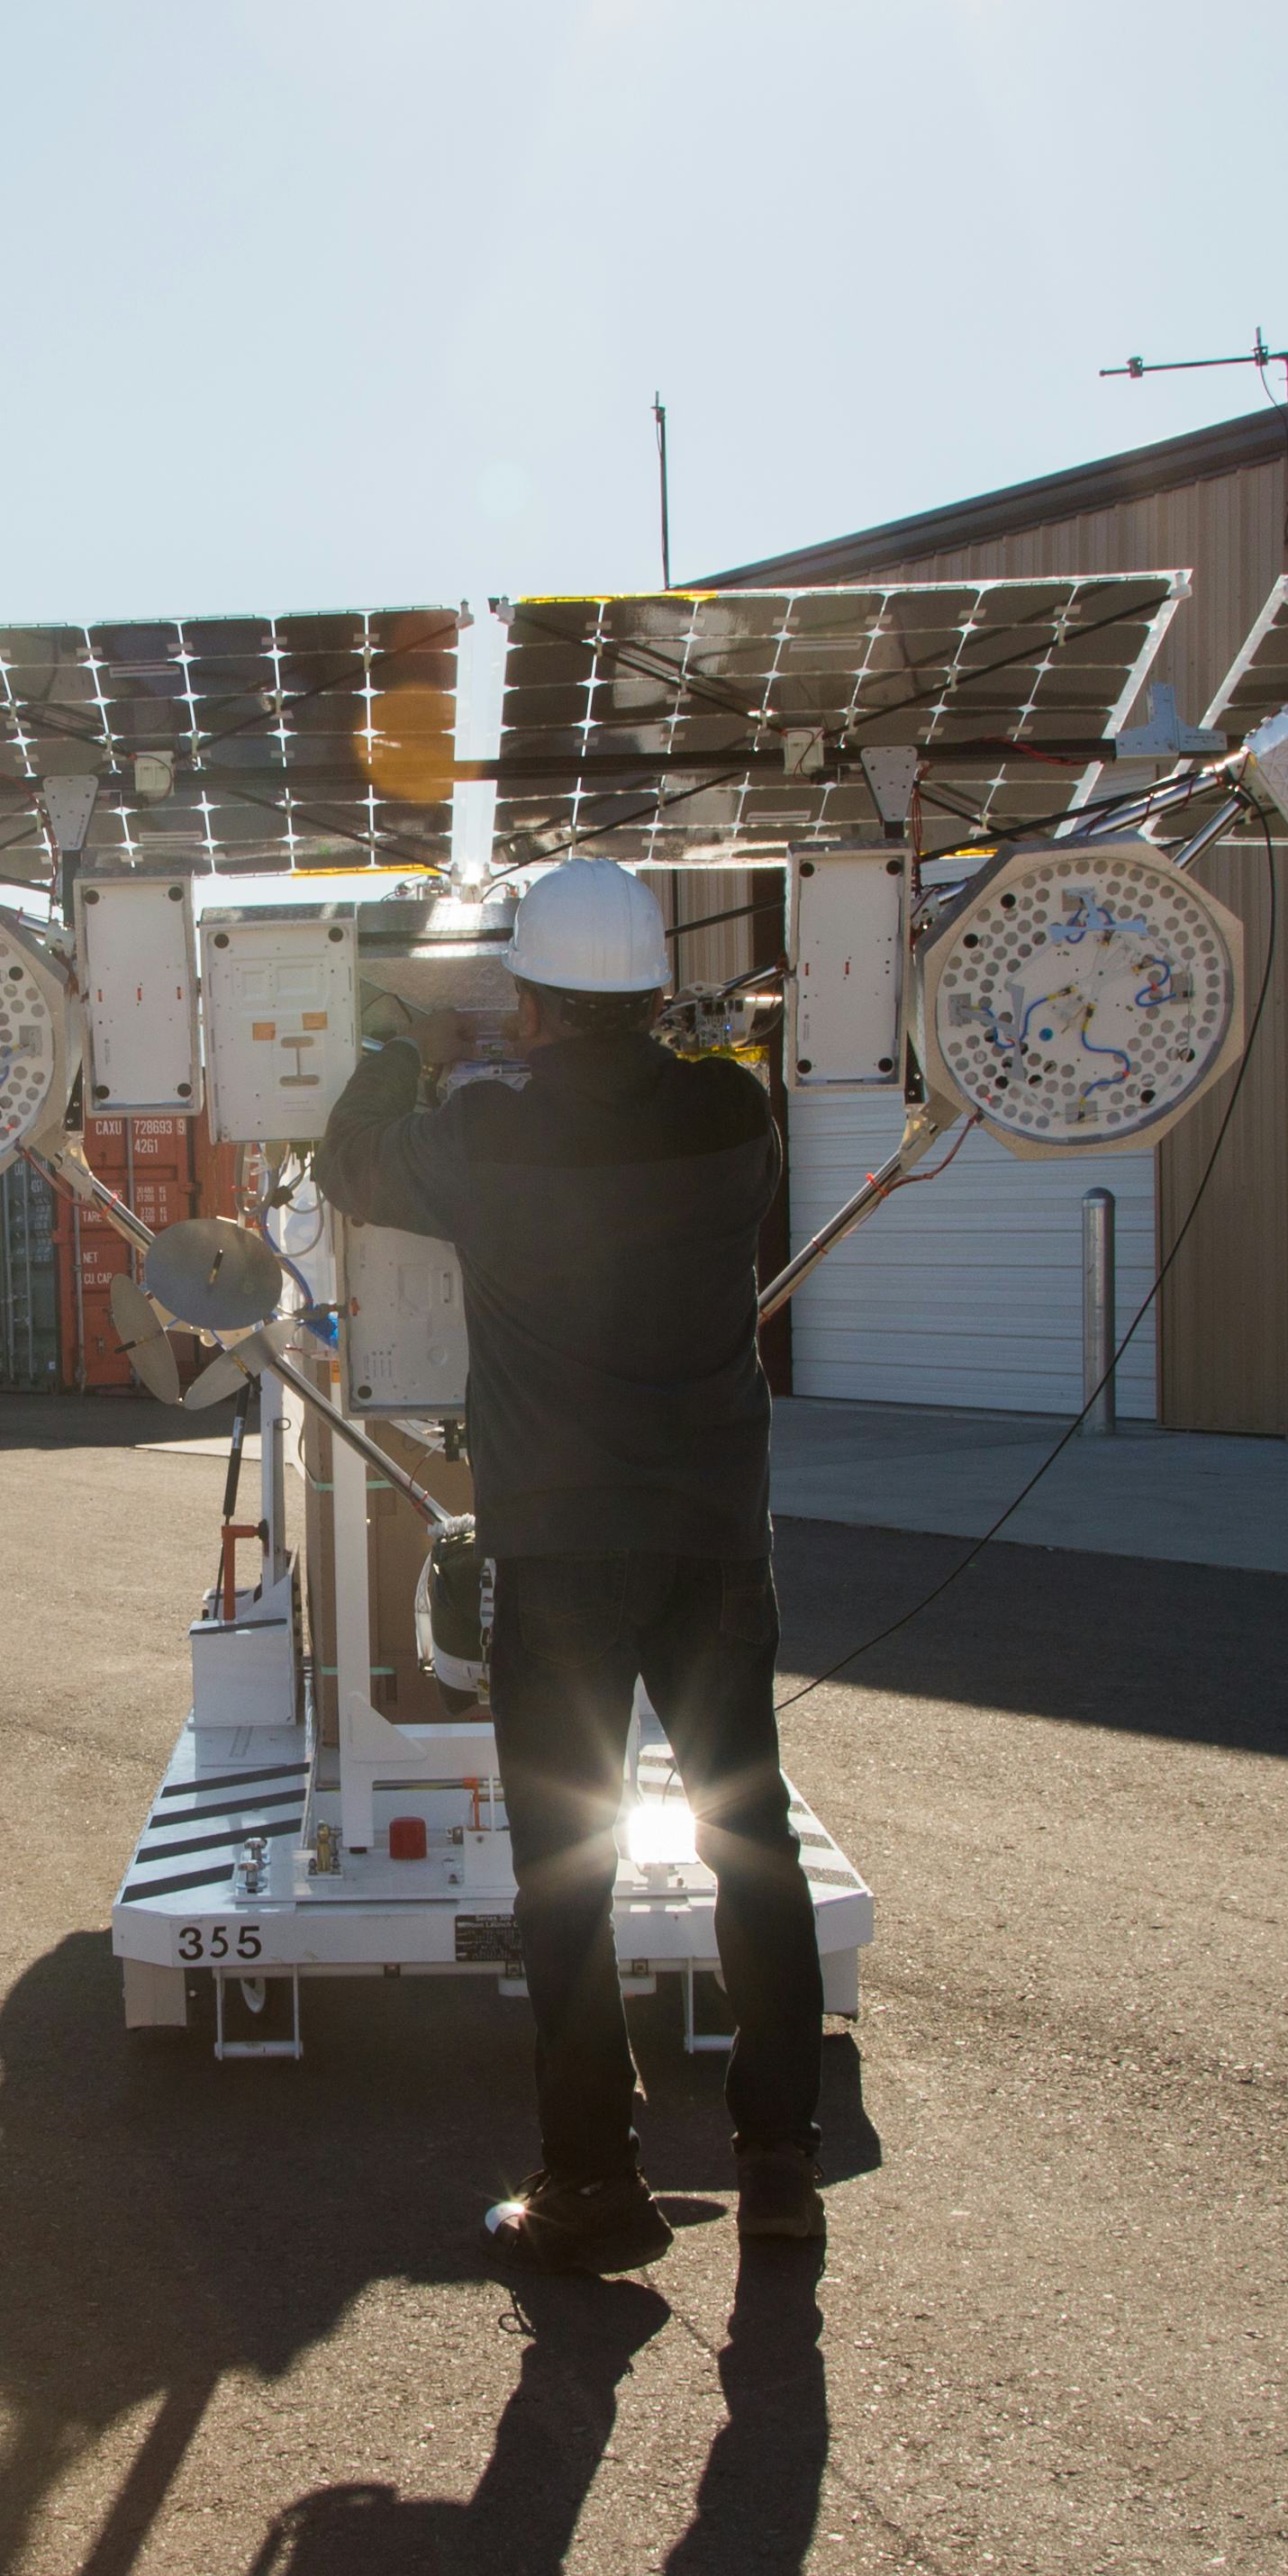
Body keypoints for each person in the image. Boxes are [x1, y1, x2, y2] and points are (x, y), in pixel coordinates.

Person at [315, 858, 827, 2268]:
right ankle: (779, 2160)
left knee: (568, 1868)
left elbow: (348, 1168)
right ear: (651, 992)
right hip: (713, 1537)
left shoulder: (485, 1135)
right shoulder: (736, 1115)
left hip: (560, 1546)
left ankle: (594, 2185)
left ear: (529, 1005)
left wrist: (401, 1051)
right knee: (750, 1839)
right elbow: (716, 1068)